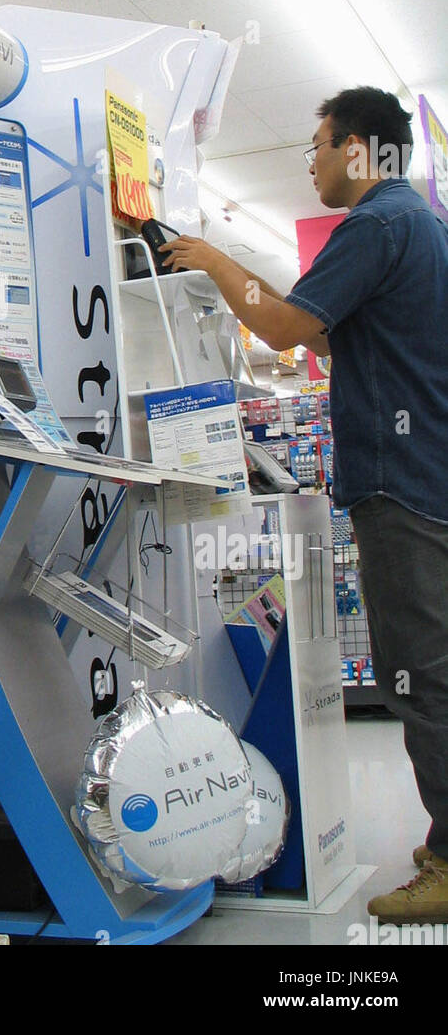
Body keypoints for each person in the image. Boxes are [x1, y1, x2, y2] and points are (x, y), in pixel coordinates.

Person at [161, 86, 448, 923]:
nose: (313, 161)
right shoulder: (416, 226)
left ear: (357, 148)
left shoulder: (376, 224)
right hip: (423, 476)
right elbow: (328, 335)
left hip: (400, 484)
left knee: (421, 678)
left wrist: (213, 260)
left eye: (318, 145)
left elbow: (285, 330)